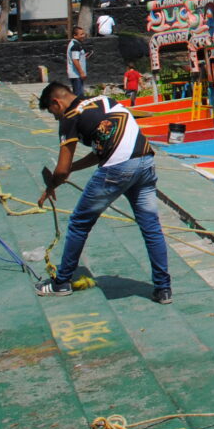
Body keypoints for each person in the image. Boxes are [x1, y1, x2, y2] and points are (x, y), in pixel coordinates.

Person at [35, 81, 171, 302]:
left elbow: (60, 168)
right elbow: (100, 152)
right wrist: (71, 170)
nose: (56, 118)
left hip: (117, 169)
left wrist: (52, 185)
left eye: (54, 113)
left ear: (56, 102)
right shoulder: (105, 101)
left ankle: (61, 282)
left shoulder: (71, 116)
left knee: (79, 223)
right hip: (145, 162)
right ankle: (163, 289)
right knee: (151, 227)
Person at [66, 26, 89, 96]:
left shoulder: (75, 44)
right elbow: (75, 60)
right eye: (81, 34)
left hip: (77, 74)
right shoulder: (75, 46)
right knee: (78, 96)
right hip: (76, 75)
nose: (83, 36)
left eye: (83, 34)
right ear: (75, 36)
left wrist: (83, 56)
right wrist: (81, 73)